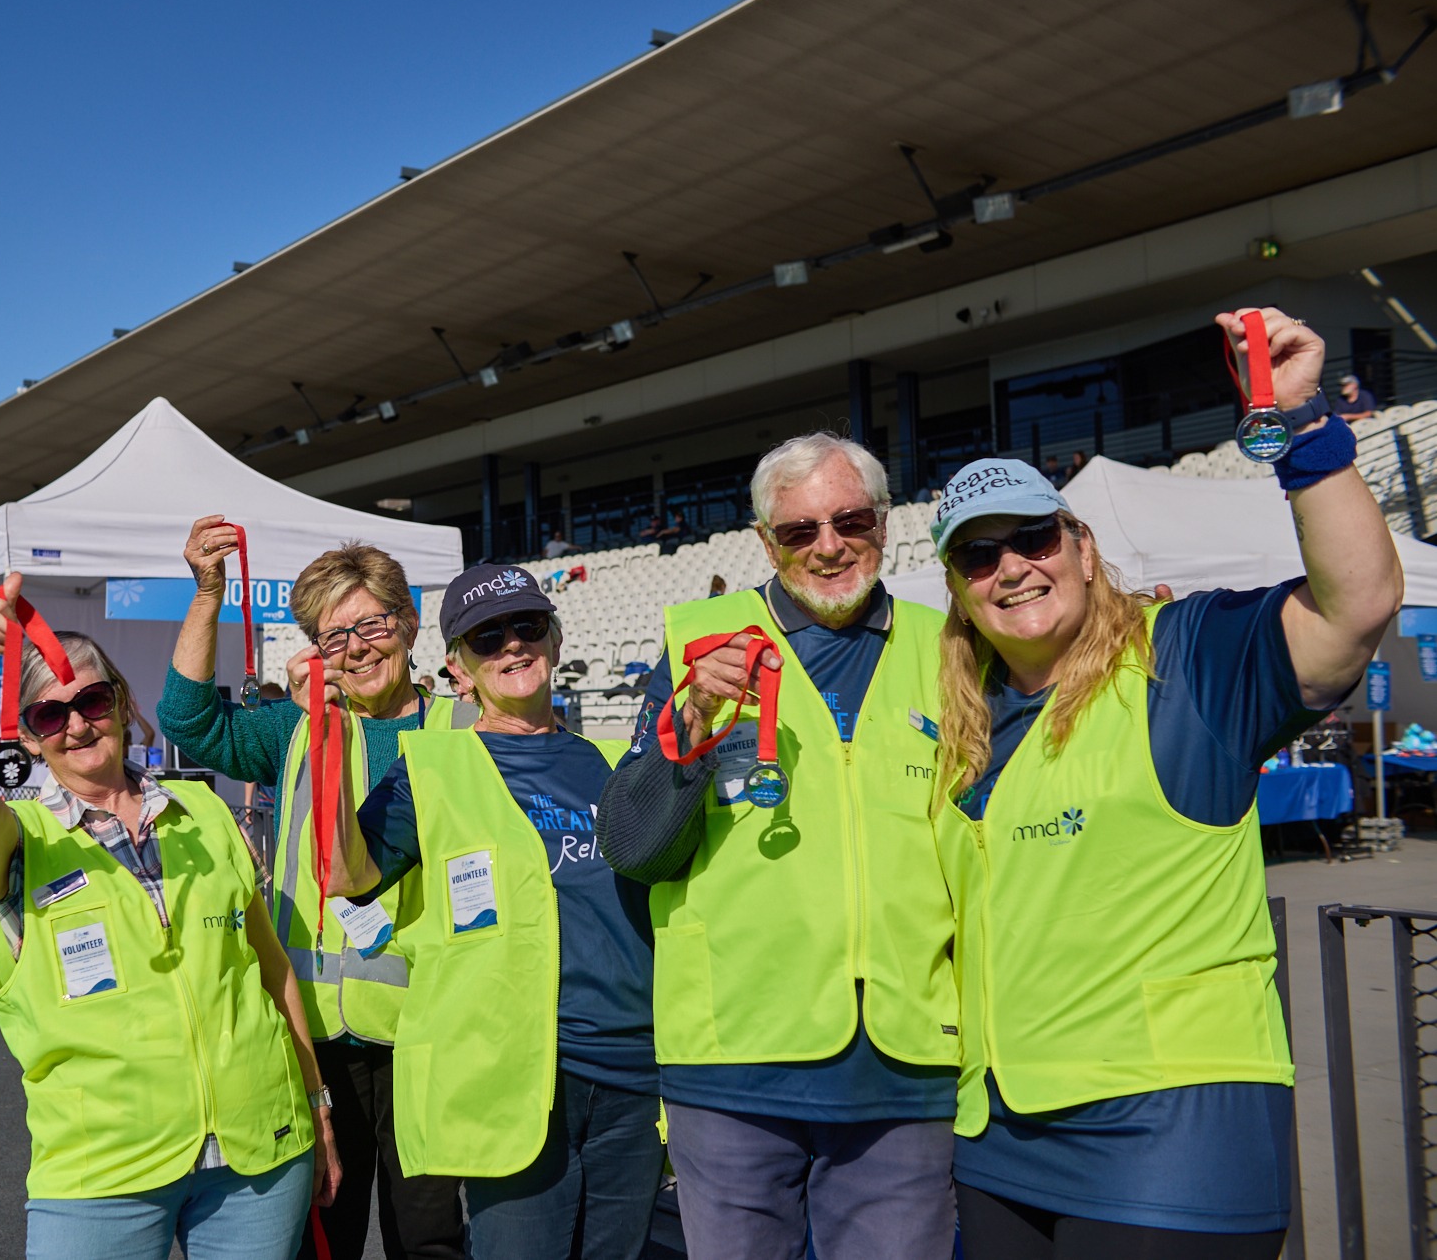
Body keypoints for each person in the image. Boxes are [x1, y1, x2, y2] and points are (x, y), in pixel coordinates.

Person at [927, 307, 1400, 1259]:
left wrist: (1302, 421)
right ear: (958, 585)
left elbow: (1357, 606)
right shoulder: (965, 725)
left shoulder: (1186, 660)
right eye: (980, 552)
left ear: (1084, 547)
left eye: (1034, 537)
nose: (1013, 565)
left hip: (1174, 1130)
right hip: (998, 1133)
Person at [597, 432, 958, 1260]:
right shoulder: (701, 643)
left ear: (885, 523)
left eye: (849, 521)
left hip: (901, 1063)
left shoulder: (950, 649)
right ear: (765, 541)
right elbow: (630, 844)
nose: (829, 546)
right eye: (799, 531)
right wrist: (688, 729)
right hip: (734, 1069)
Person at [0, 572, 338, 1259]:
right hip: (103, 1170)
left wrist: (318, 1105)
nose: (77, 724)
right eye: (49, 715)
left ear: (121, 703)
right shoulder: (22, 839)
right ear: (28, 738)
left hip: (261, 1149)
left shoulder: (206, 812)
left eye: (91, 700)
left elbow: (273, 972)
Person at [326, 564, 661, 1260]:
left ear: (556, 638)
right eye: (487, 636)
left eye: (527, 626)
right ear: (458, 664)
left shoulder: (610, 762)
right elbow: (349, 875)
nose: (512, 646)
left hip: (629, 1075)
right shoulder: (432, 766)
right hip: (515, 1076)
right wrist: (328, 744)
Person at [157, 519, 468, 1260]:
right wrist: (208, 593)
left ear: (411, 622)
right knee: (317, 1236)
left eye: (371, 624)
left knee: (430, 1239)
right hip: (319, 1044)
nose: (356, 647)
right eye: (335, 636)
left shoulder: (467, 730)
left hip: (433, 1034)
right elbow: (186, 718)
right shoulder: (294, 731)